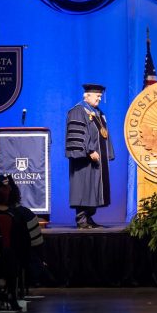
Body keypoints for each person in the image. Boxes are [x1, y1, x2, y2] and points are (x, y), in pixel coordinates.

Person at [65, 84, 114, 228]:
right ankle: (81, 220)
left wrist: (107, 153)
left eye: (100, 96)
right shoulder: (78, 111)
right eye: (97, 96)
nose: (99, 98)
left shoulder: (97, 112)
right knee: (84, 188)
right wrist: (89, 150)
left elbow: (104, 135)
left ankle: (89, 218)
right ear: (87, 95)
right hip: (84, 160)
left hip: (97, 160)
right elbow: (77, 133)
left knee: (94, 190)